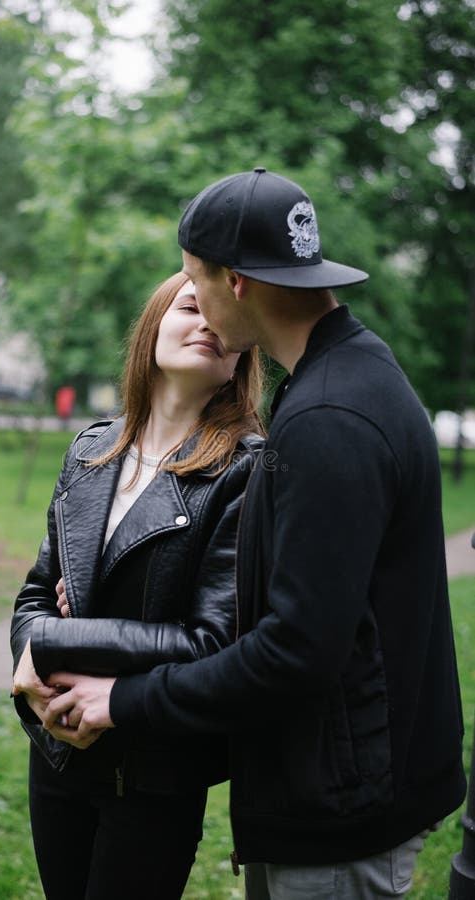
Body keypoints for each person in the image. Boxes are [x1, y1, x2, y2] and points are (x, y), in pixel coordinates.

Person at [44, 169, 467, 899]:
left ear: (235, 282)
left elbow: (296, 651)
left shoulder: (329, 416)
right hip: (334, 783)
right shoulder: (347, 376)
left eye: (193, 279)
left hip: (343, 804)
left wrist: (123, 701)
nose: (193, 301)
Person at [10, 271, 264, 900]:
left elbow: (213, 642)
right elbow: (38, 592)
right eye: (190, 307)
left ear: (242, 355)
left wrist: (53, 640)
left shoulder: (247, 468)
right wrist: (30, 662)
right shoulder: (90, 449)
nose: (208, 323)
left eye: (222, 317)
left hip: (154, 769)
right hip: (58, 749)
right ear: (153, 326)